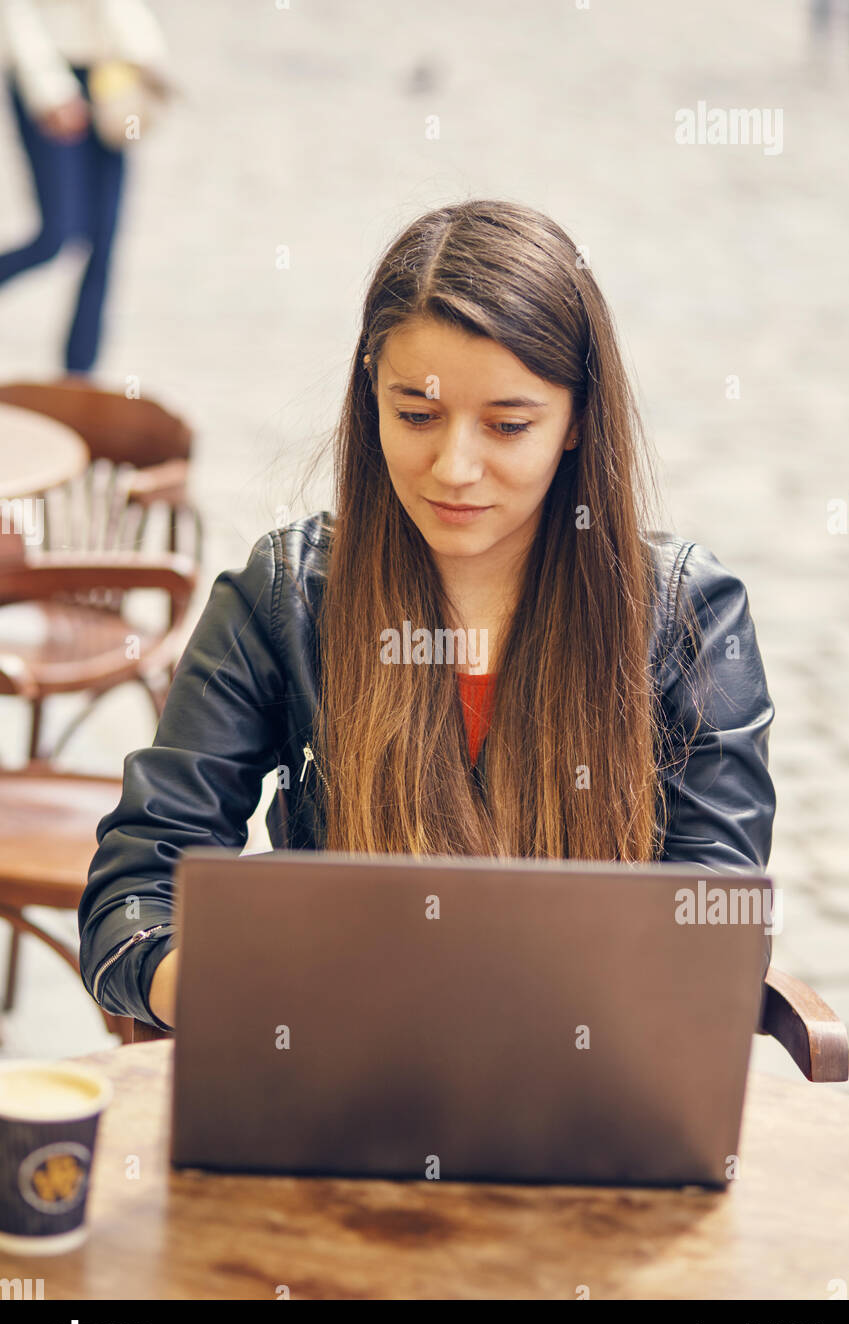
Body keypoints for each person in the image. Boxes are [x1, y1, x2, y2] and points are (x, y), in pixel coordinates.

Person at [77, 199, 777, 1031]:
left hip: (586, 1104)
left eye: (508, 425)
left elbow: (718, 918)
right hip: (334, 1088)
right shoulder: (287, 595)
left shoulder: (686, 614)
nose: (453, 468)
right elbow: (135, 890)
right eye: (416, 415)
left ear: (579, 420)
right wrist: (208, 986)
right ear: (370, 395)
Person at [0, 0, 169, 372]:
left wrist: (146, 56)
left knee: (105, 238)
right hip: (53, 77)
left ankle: (79, 376)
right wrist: (49, 90)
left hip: (113, 79)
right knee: (57, 235)